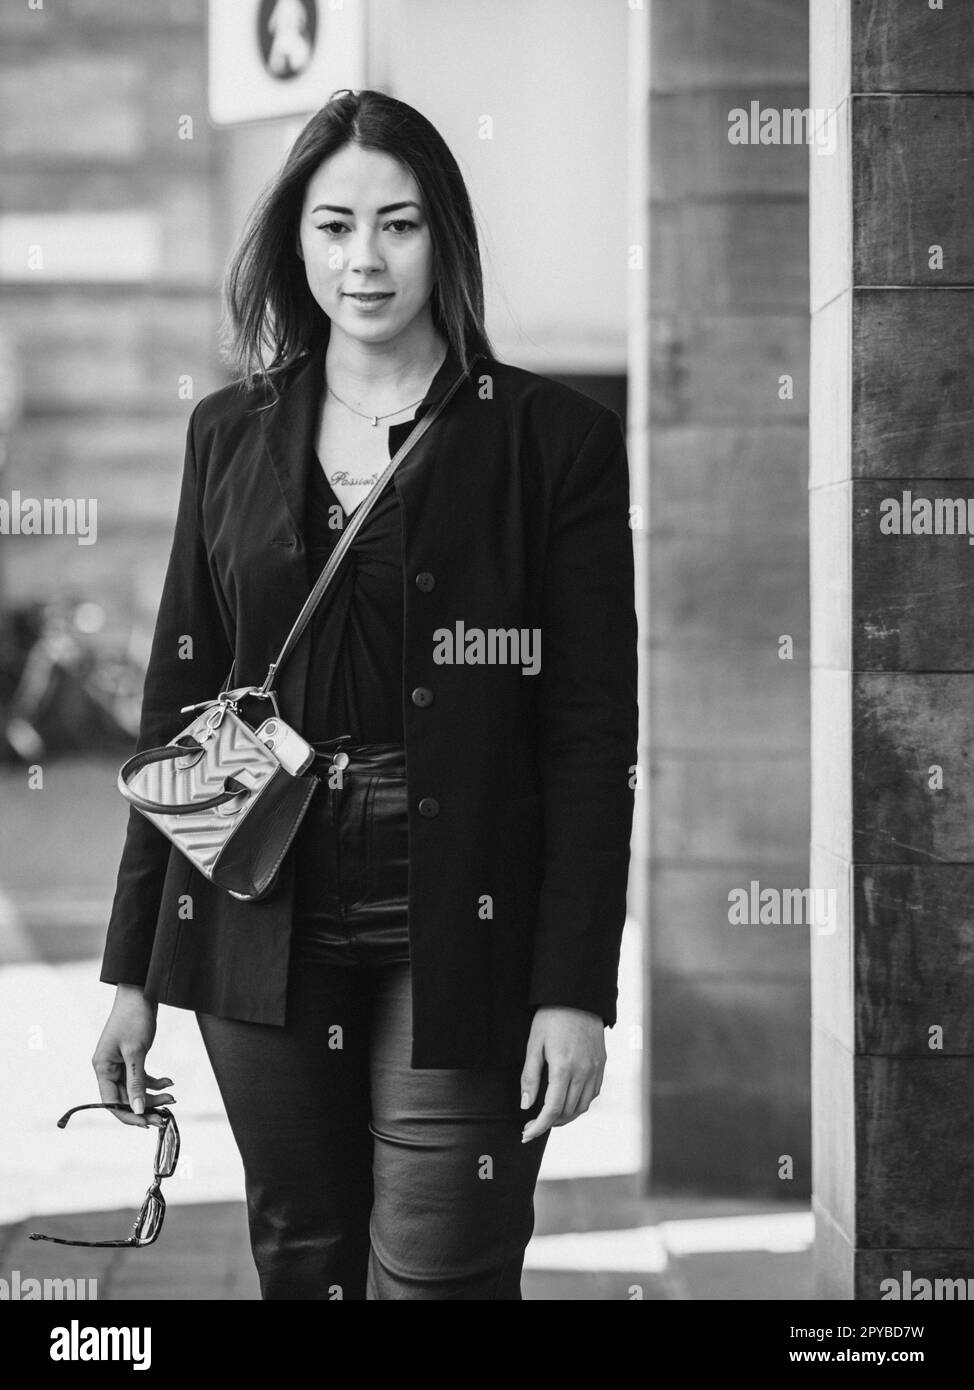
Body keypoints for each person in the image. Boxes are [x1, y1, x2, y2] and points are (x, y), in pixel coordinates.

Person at [93, 88, 638, 1301]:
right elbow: (181, 703)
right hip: (259, 904)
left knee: (441, 1266)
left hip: (461, 914)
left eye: (396, 225)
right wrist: (132, 971)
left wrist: (571, 988)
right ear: (296, 239)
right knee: (307, 1258)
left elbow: (591, 740)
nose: (365, 258)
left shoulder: (549, 441)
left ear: (441, 236)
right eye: (335, 225)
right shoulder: (229, 432)